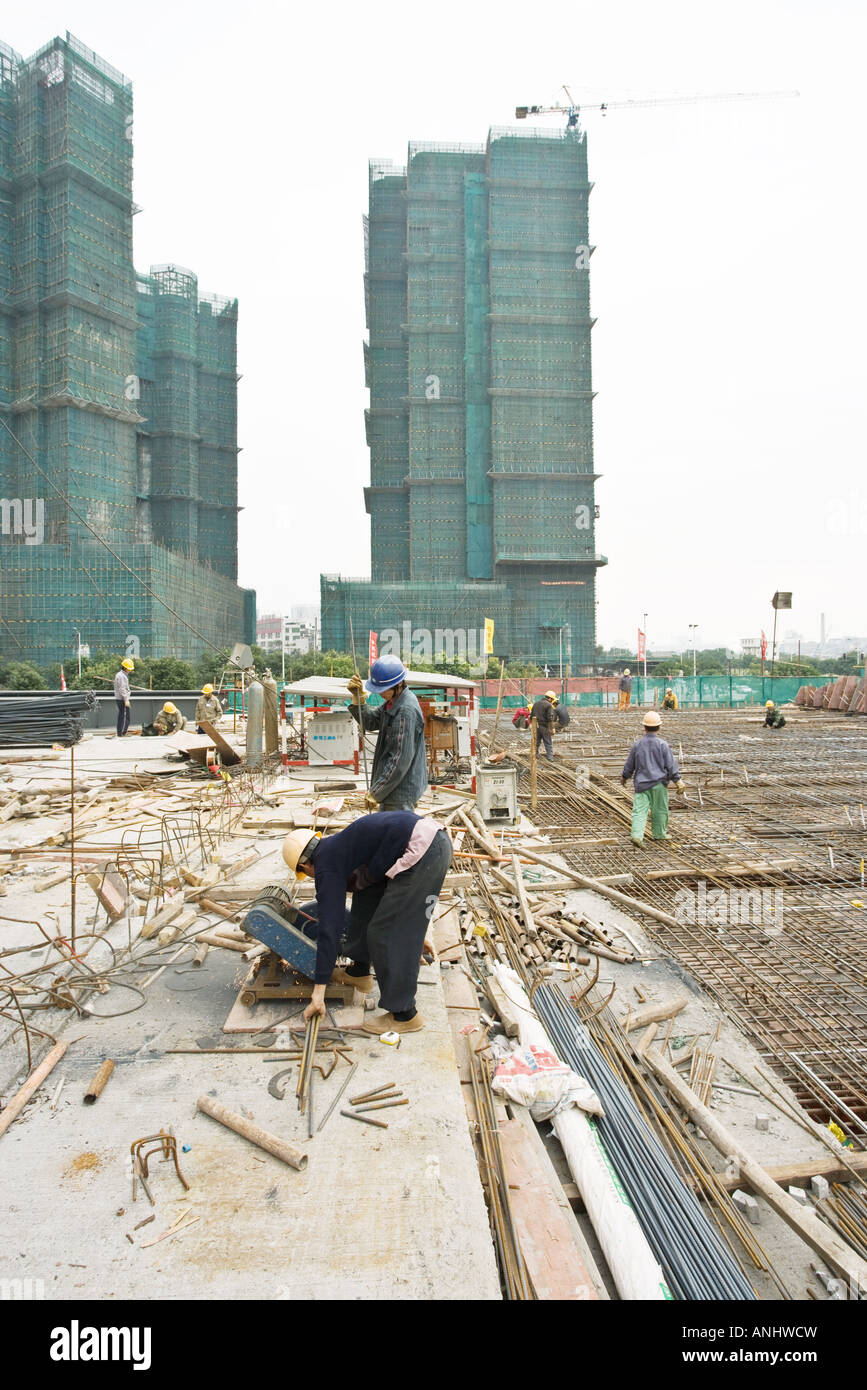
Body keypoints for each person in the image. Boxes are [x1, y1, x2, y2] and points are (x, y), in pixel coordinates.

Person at [283, 811, 453, 1035]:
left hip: (425, 851)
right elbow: (389, 899)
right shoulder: (340, 847)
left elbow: (329, 928)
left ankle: (404, 1015)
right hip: (434, 842)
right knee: (366, 895)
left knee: (385, 933)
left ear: (305, 866)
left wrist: (318, 991)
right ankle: (359, 972)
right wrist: (415, 932)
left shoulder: (327, 865)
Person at [347, 656, 427, 811]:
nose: (380, 694)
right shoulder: (393, 703)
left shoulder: (405, 710)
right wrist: (358, 700)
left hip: (400, 791)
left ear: (398, 684)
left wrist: (376, 792)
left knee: (396, 833)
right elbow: (371, 722)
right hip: (392, 788)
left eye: (383, 690)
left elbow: (399, 760)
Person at [621, 710, 686, 847]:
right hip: (659, 784)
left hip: (642, 785)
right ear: (659, 727)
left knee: (639, 811)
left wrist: (624, 777)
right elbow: (670, 764)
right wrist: (678, 781)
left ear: (644, 727)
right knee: (660, 810)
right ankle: (659, 833)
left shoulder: (638, 745)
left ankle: (637, 835)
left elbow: (629, 764)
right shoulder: (662, 745)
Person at [530, 690, 558, 761]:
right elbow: (550, 718)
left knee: (536, 742)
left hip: (536, 726)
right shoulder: (548, 705)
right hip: (545, 727)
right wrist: (552, 728)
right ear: (550, 698)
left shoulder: (536, 704)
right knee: (548, 742)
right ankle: (550, 757)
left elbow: (531, 716)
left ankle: (535, 755)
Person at [113, 658, 134, 737]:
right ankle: (122, 733)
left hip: (121, 699)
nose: (130, 670)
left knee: (122, 716)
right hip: (122, 699)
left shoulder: (121, 675)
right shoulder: (122, 676)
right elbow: (122, 689)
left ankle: (121, 732)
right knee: (125, 717)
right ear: (125, 668)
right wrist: (126, 700)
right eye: (129, 669)